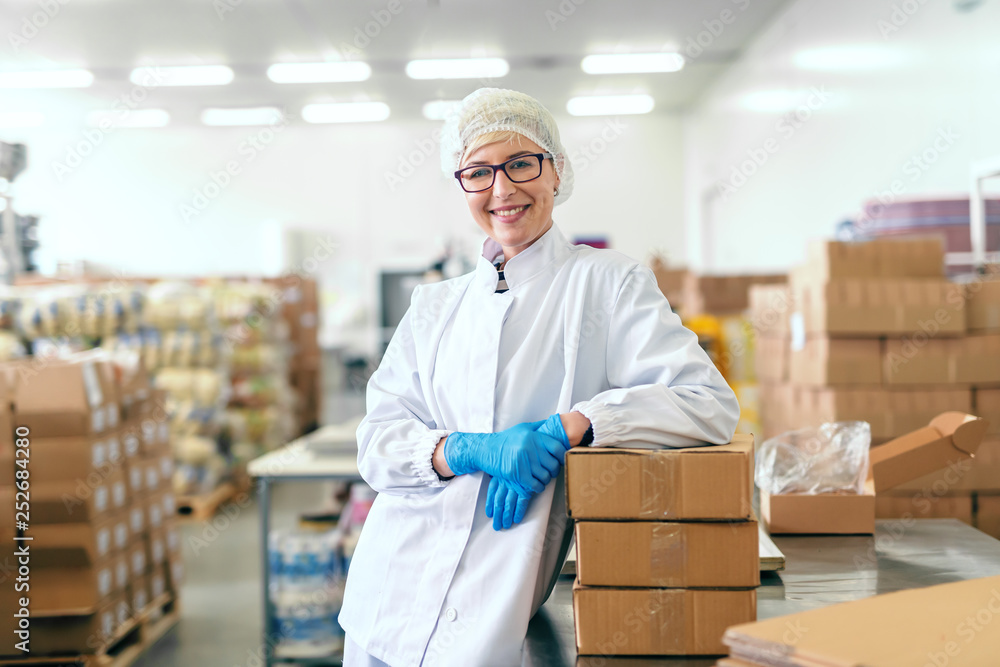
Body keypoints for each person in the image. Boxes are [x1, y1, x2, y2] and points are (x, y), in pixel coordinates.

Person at [339, 88, 739, 667]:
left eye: (521, 163)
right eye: (478, 172)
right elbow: (377, 446)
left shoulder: (607, 283)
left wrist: (570, 425)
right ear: (462, 185)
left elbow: (706, 403)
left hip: (494, 619)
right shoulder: (433, 307)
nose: (501, 189)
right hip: (384, 605)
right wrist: (467, 449)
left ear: (556, 171)